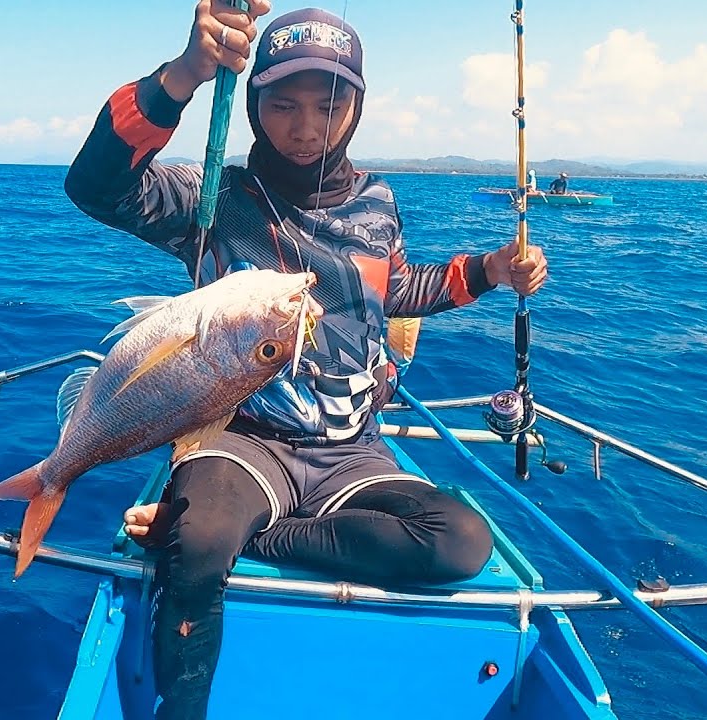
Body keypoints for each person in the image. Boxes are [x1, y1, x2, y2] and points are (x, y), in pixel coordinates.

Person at [64, 3, 548, 717]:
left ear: (356, 107)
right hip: (243, 437)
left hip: (352, 451)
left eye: (328, 104)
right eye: (282, 103)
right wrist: (187, 72)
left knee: (461, 542)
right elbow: (96, 186)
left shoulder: (377, 202)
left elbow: (394, 288)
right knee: (196, 548)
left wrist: (489, 270)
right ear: (255, 105)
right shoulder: (214, 201)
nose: (305, 125)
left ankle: (262, 533)